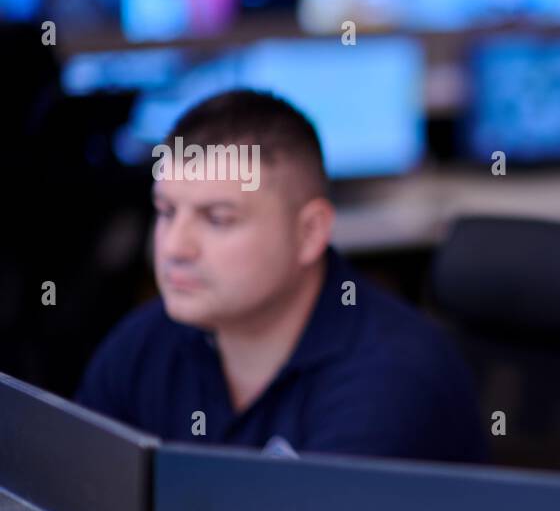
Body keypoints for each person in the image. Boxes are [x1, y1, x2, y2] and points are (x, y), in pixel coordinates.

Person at [76, 89, 486, 464]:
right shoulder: (145, 343)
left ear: (309, 233)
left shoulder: (392, 380)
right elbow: (70, 507)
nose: (175, 247)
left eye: (218, 219)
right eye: (166, 212)